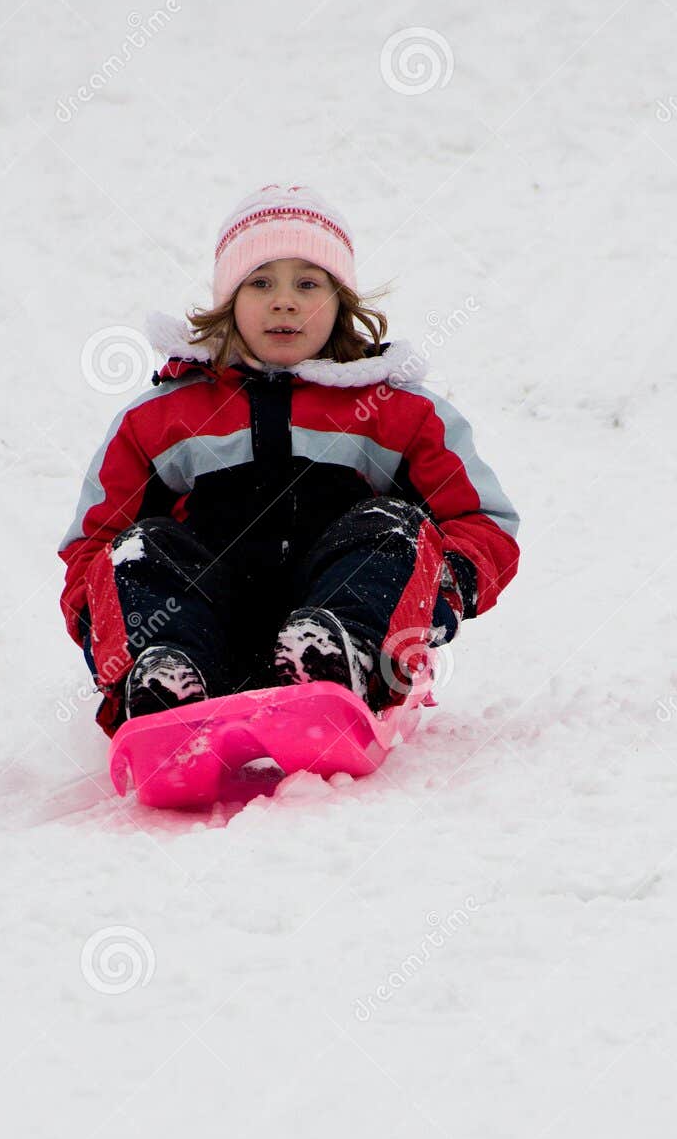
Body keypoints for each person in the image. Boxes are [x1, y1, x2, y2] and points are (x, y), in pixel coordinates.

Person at [57, 182, 521, 735]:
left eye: (308, 283)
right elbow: (93, 547)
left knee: (391, 528)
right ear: (228, 300)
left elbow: (482, 524)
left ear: (341, 302)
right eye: (260, 282)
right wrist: (110, 637)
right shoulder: (159, 419)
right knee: (141, 549)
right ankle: (166, 685)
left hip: (349, 625)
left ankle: (336, 661)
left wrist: (433, 595)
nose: (284, 301)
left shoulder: (399, 411)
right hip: (204, 633)